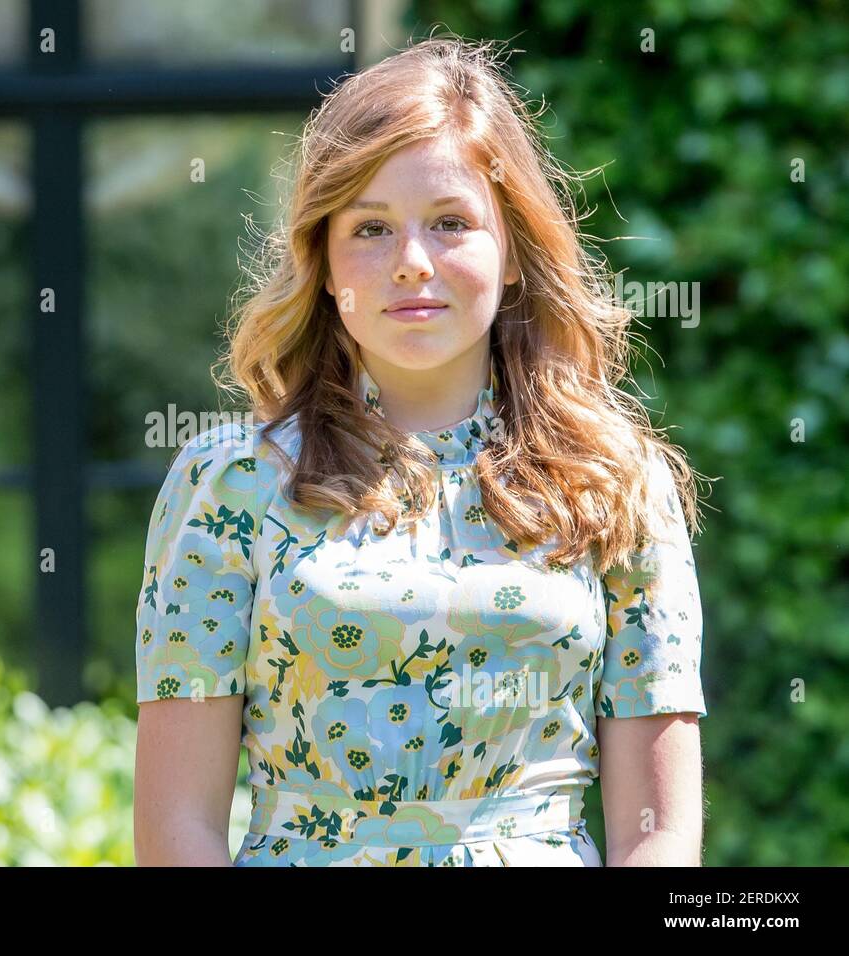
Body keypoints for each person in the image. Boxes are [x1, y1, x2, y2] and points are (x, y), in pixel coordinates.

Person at [132, 36, 708, 867]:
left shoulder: (615, 484)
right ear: (324, 265)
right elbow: (176, 828)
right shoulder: (228, 483)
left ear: (510, 254)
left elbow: (661, 832)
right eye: (370, 228)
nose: (411, 263)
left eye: (450, 223)